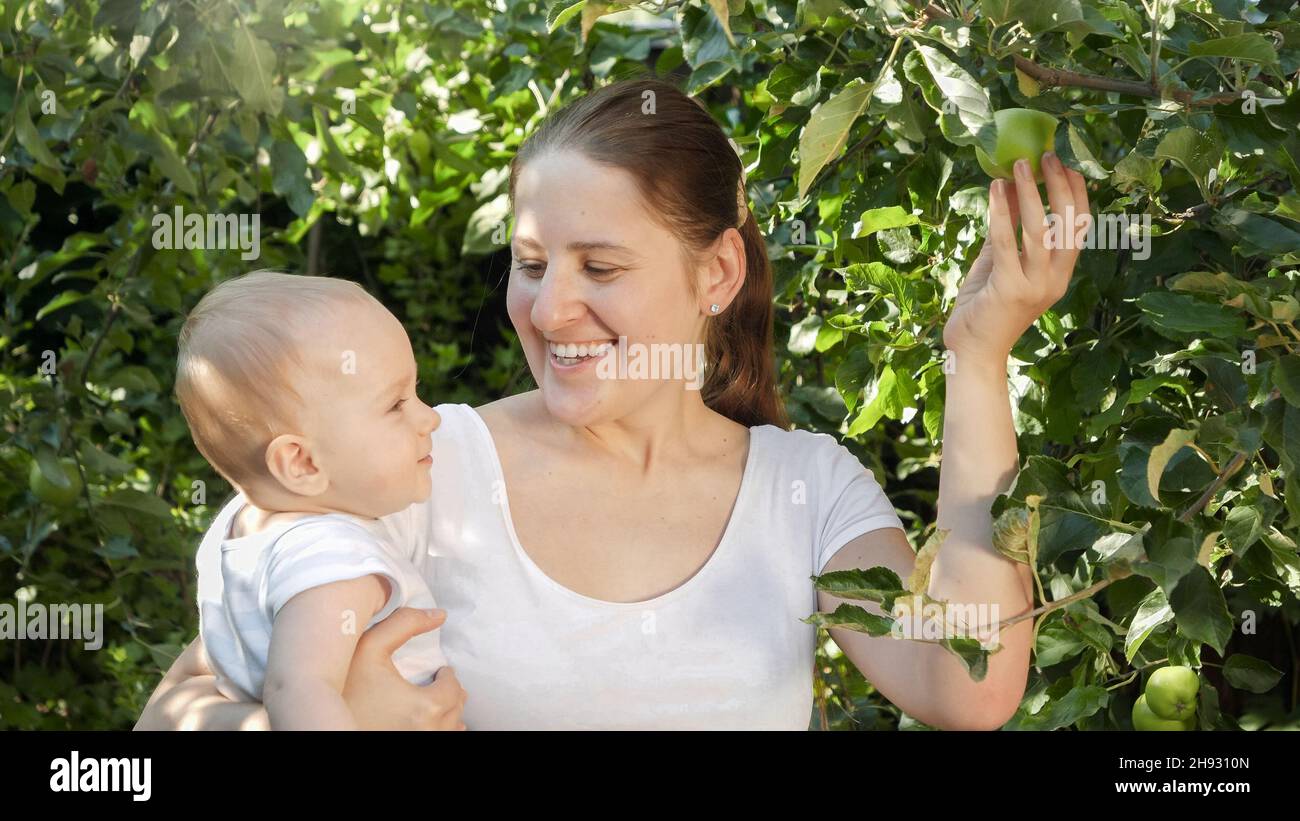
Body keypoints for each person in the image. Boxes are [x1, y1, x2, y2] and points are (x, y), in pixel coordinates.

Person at [136, 77, 1090, 730]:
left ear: (716, 270)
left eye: (601, 266)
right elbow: (148, 735)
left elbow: (967, 682)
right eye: (531, 264)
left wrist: (979, 354)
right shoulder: (411, 466)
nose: (551, 309)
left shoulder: (805, 490)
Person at [170, 271, 463, 730]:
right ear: (302, 464)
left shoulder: (236, 531)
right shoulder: (329, 556)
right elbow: (298, 690)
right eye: (395, 404)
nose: (429, 418)